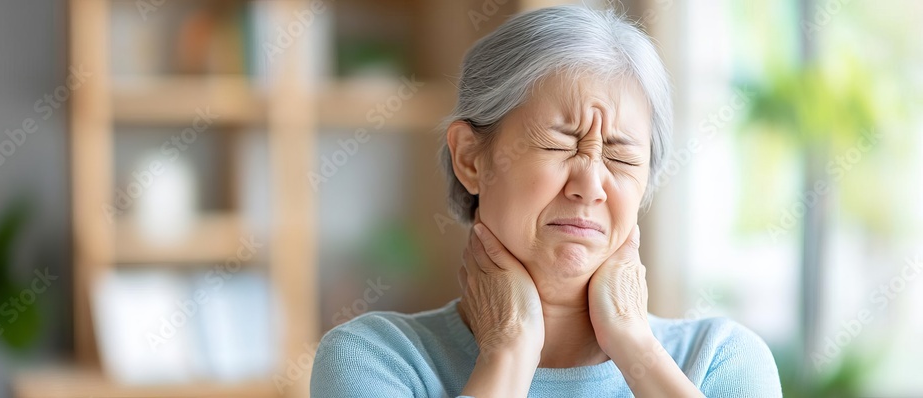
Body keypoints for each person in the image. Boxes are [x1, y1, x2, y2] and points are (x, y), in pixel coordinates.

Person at [311, 5, 782, 397]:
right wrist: (509, 351)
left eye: (619, 156)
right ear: (472, 158)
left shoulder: (719, 361)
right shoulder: (374, 361)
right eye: (561, 144)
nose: (590, 185)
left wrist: (636, 349)